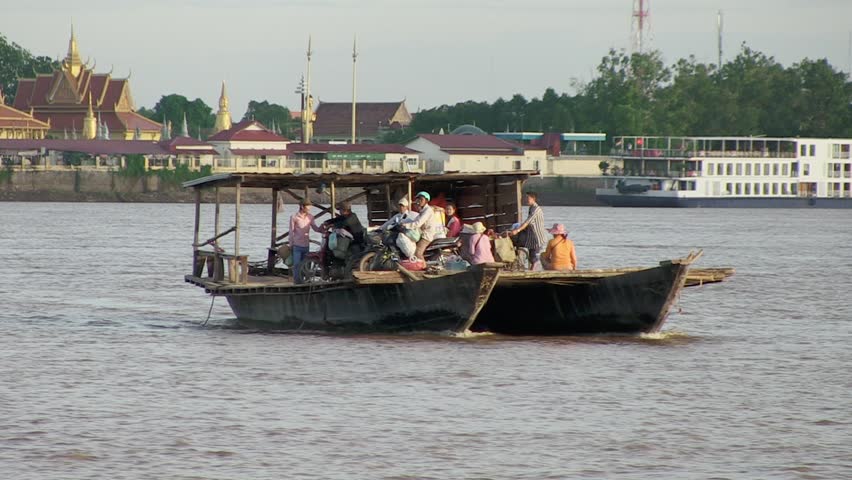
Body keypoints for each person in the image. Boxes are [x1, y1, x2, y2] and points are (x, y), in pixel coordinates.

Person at [510, 191, 549, 268]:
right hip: (530, 236)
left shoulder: (536, 209)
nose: (526, 199)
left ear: (533, 199)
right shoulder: (531, 208)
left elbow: (527, 222)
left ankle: (533, 272)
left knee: (534, 259)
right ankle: (517, 261)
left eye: (527, 198)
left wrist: (517, 230)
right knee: (531, 257)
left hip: (537, 237)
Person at [289, 198, 322, 283]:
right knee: (296, 265)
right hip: (297, 245)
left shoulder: (310, 217)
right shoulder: (294, 217)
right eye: (308, 207)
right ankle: (297, 282)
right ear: (302, 206)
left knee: (306, 265)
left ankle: (306, 282)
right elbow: (291, 232)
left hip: (306, 245)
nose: (309, 208)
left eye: (310, 206)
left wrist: (322, 229)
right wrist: (291, 244)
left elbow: (315, 228)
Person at [402, 191, 438, 260]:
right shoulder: (422, 210)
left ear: (426, 201)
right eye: (418, 199)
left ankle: (423, 268)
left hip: (427, 235)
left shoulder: (428, 211)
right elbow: (414, 220)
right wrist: (403, 222)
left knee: (418, 252)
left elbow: (418, 223)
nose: (419, 201)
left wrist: (406, 226)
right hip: (422, 233)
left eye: (421, 199)